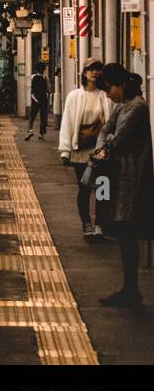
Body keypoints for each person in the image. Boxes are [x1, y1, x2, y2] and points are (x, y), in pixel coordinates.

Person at [92, 63, 154, 308]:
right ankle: (130, 288)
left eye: (109, 89)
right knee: (124, 234)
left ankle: (132, 290)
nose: (108, 94)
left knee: (127, 233)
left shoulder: (137, 107)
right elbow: (106, 131)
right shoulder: (123, 106)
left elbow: (115, 139)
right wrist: (104, 142)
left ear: (120, 85)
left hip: (133, 179)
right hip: (122, 177)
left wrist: (105, 142)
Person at [58, 59, 110, 236]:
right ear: (84, 72)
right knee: (85, 188)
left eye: (98, 69)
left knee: (103, 188)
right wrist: (65, 150)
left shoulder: (105, 95)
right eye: (91, 69)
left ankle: (100, 224)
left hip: (101, 150)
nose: (94, 72)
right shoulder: (74, 96)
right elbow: (67, 123)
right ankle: (86, 223)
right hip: (81, 150)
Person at [25, 63, 50, 140]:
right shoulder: (45, 77)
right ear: (44, 70)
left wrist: (34, 98)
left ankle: (30, 131)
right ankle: (42, 135)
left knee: (32, 116)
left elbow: (31, 89)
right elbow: (48, 89)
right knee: (43, 117)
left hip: (35, 99)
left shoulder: (33, 77)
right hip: (43, 99)